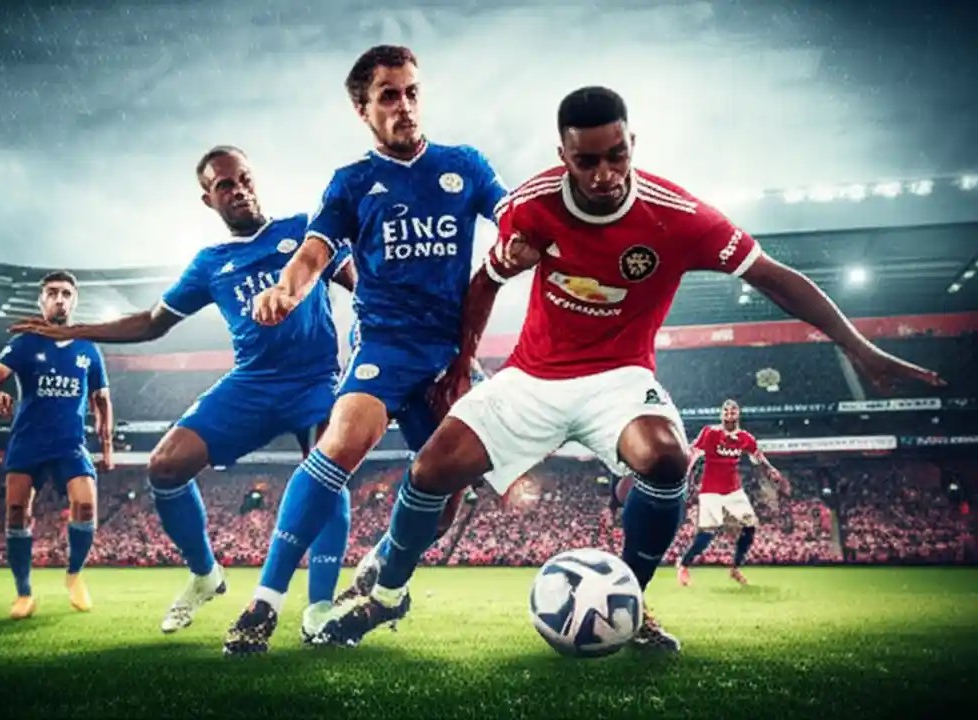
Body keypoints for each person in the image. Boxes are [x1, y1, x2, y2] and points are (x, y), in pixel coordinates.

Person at [318, 85, 943, 652]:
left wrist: (859, 348)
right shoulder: (530, 206)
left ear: (631, 143)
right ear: (563, 156)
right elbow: (486, 279)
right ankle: (387, 592)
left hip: (619, 377)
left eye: (616, 155)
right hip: (533, 376)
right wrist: (463, 359)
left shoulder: (681, 217)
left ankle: (632, 600)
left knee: (667, 457)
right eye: (586, 160)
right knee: (430, 470)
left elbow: (778, 280)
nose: (604, 173)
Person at [224, 44, 510, 655]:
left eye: (411, 92)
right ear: (363, 108)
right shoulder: (353, 182)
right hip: (384, 343)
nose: (404, 106)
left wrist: (528, 237)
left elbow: (510, 214)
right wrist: (285, 289)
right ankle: (263, 604)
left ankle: (379, 566)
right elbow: (313, 253)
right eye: (388, 95)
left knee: (445, 498)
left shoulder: (464, 165)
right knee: (341, 444)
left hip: (448, 354)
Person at [10, 146, 358, 640]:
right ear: (208, 199)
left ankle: (319, 607)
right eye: (224, 185)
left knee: (330, 472)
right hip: (253, 383)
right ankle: (204, 575)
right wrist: (77, 331)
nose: (239, 190)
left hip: (317, 379)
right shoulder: (210, 263)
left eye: (244, 179)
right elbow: (153, 323)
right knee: (165, 466)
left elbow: (358, 286)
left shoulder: (304, 228)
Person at [0, 270, 113, 620]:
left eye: (66, 293)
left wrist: (108, 443)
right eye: (53, 293)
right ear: (42, 300)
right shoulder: (24, 343)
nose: (60, 299)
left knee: (85, 505)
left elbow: (102, 398)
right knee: (16, 514)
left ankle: (74, 576)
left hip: (70, 444)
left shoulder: (88, 348)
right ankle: (24, 593)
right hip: (28, 442)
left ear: (74, 300)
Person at [676, 399, 789, 586]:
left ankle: (735, 568)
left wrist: (770, 469)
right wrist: (686, 477)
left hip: (733, 491)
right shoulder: (710, 432)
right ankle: (683, 565)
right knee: (707, 535)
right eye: (726, 411)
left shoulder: (745, 438)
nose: (729, 413)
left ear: (738, 414)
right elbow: (693, 453)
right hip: (710, 491)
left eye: (733, 410)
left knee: (750, 526)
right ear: (722, 415)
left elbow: (758, 455)